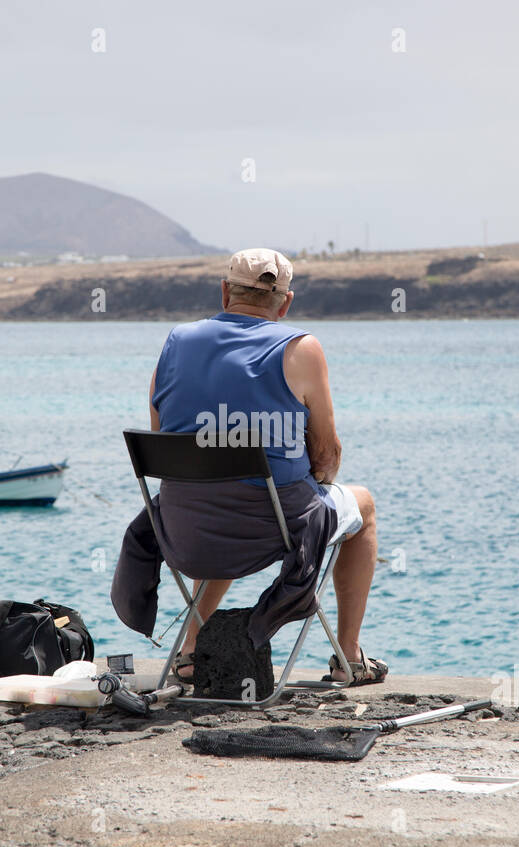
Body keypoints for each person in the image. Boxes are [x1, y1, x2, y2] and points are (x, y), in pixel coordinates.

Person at [111, 248, 387, 686]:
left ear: (224, 292)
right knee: (364, 504)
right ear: (286, 302)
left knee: (219, 490)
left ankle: (190, 650)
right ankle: (349, 656)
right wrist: (316, 483)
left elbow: (162, 433)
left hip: (186, 532)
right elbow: (327, 454)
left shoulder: (176, 342)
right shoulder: (301, 348)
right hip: (273, 530)